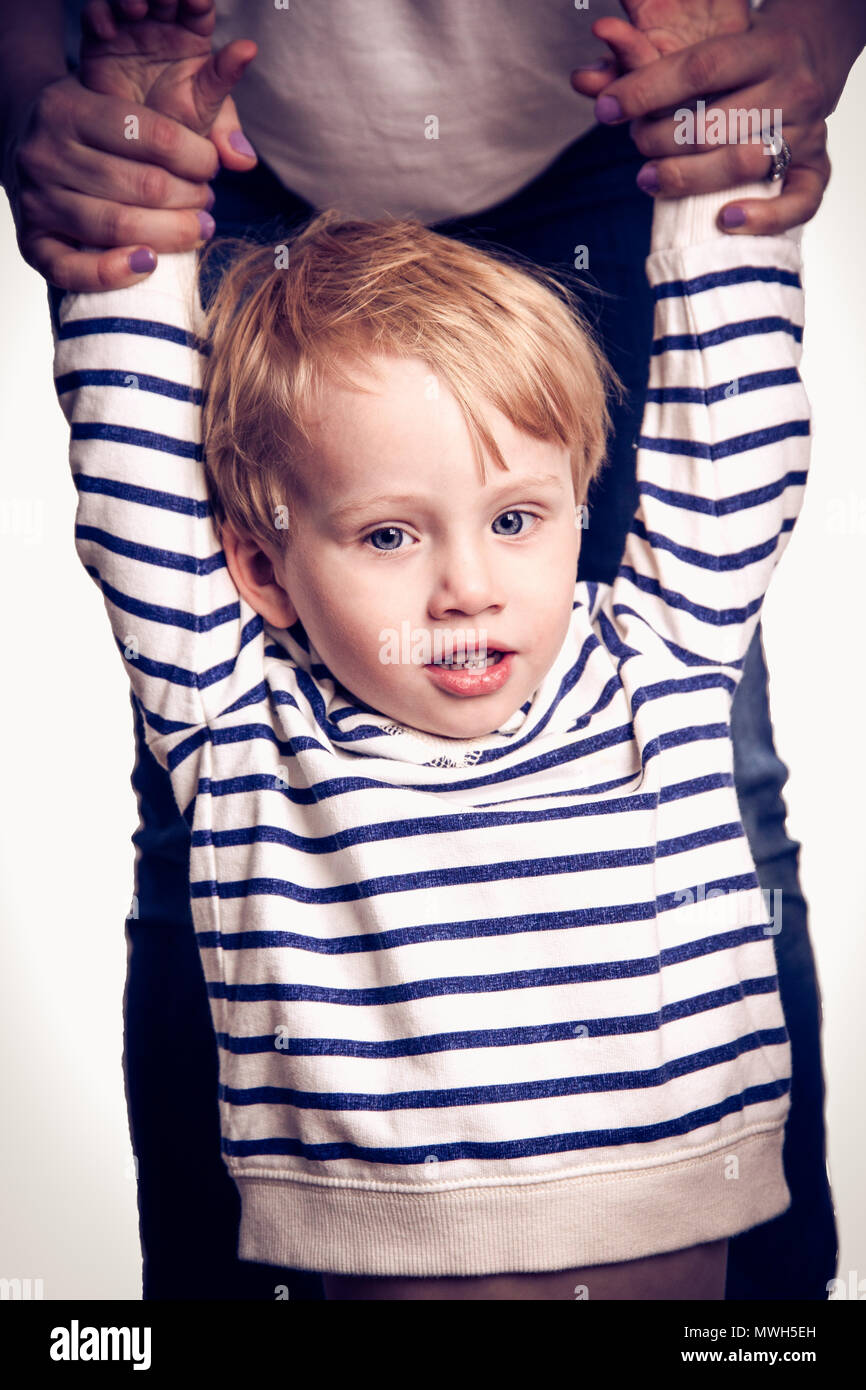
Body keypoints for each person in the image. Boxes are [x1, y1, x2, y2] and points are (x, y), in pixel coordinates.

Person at [4, 0, 858, 1298]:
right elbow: (133, 469)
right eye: (392, 533)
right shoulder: (237, 726)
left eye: (517, 518)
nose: (467, 587)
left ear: (588, 501)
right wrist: (131, 162)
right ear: (257, 563)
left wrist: (720, 146)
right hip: (247, 169)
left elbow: (727, 430)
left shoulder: (662, 668)